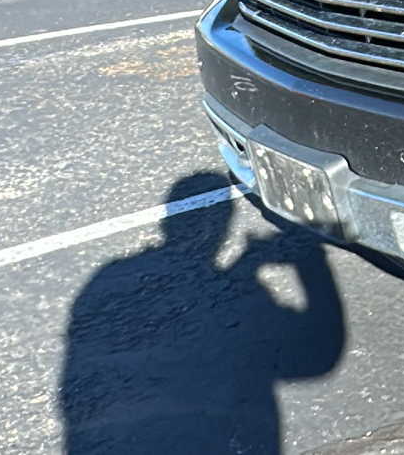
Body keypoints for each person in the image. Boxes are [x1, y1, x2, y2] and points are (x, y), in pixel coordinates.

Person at [60, 172, 345, 454]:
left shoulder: (112, 279)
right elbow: (318, 358)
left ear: (166, 222)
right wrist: (311, 263)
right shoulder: (242, 300)